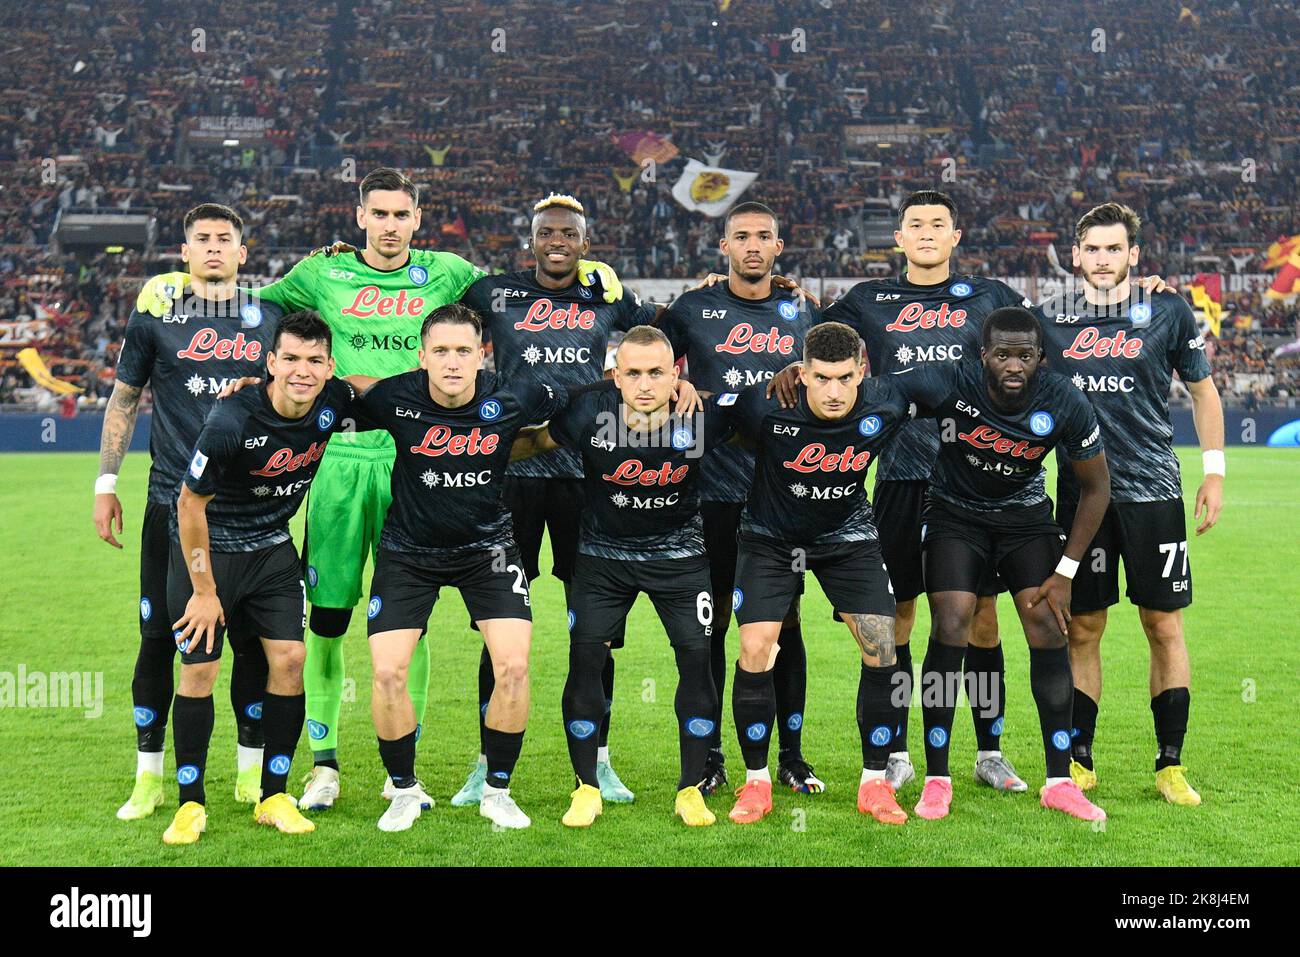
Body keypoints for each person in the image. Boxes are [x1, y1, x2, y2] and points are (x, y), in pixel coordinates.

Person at [135, 171, 626, 812]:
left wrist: (599, 281)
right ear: (360, 216)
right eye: (380, 213)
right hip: (339, 459)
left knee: (407, 627)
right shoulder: (320, 273)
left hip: (415, 458)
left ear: (417, 218)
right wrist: (185, 287)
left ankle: (410, 772)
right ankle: (324, 764)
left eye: (402, 214)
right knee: (329, 621)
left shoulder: (449, 272)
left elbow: (523, 287)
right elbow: (251, 304)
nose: (391, 225)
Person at [348, 302, 574, 831]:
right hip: (409, 552)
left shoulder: (514, 394)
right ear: (422, 356)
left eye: (464, 351)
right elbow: (326, 394)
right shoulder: (394, 397)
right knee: (386, 673)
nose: (452, 362)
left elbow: (586, 398)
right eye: (442, 351)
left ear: (482, 355)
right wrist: (254, 385)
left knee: (514, 667)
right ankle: (404, 791)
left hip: (488, 550)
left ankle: (497, 790)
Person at [97, 203, 285, 821]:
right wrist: (105, 483)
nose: (212, 247)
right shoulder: (155, 315)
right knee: (160, 641)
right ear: (184, 252)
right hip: (167, 506)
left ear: (242, 251)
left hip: (253, 509)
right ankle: (148, 773)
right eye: (200, 239)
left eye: (223, 239)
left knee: (255, 647)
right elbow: (125, 401)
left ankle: (250, 774)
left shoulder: (271, 318)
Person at [1036, 202, 1224, 806]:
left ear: (1134, 255)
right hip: (1081, 499)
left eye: (1114, 249)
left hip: (1154, 495)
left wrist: (1214, 473)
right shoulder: (1048, 321)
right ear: (1075, 255)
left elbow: (1203, 391)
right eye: (1092, 249)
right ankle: (1080, 758)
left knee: (1162, 623)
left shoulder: (1167, 309)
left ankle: (1170, 764)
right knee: (1083, 626)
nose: (1103, 260)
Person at [894, 306, 1112, 822]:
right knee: (951, 623)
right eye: (1003, 355)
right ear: (983, 356)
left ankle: (1059, 781)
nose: (1014, 365)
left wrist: (1065, 572)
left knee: (1046, 627)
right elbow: (885, 390)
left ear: (1040, 358)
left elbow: (1097, 486)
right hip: (954, 517)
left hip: (1026, 521)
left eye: (1026, 355)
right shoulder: (952, 382)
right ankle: (937, 779)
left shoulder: (1062, 399)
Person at [509, 325, 725, 827]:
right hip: (602, 558)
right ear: (616, 376)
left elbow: (769, 420)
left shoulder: (703, 414)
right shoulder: (586, 409)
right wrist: (471, 445)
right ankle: (585, 787)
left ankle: (689, 789)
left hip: (680, 557)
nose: (645, 384)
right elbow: (535, 441)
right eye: (633, 373)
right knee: (585, 660)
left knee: (696, 661)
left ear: (676, 374)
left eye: (657, 373)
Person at [162, 311, 358, 845]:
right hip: (212, 550)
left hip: (272, 549)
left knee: (290, 660)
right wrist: (204, 591)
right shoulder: (232, 420)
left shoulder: (334, 400)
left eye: (314, 361)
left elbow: (368, 389)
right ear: (270, 363)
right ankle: (190, 804)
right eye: (290, 359)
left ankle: (274, 795)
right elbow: (188, 504)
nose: (302, 371)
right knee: (199, 672)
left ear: (328, 366)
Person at [657, 201, 824, 797]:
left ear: (779, 247)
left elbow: (840, 373)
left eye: (763, 237)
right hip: (708, 494)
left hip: (781, 494)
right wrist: (675, 382)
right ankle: (710, 757)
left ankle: (792, 756)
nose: (752, 246)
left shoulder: (802, 308)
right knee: (710, 627)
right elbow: (646, 355)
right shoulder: (692, 308)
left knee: (783, 627)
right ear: (723, 246)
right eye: (740, 237)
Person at [720, 322, 913, 826]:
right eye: (821, 378)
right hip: (770, 539)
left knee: (881, 646)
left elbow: (952, 382)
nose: (833, 391)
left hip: (847, 540)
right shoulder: (764, 405)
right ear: (802, 374)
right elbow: (696, 402)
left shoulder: (887, 401)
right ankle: (757, 782)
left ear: (862, 371)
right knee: (756, 646)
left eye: (844, 378)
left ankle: (875, 784)